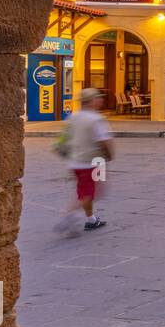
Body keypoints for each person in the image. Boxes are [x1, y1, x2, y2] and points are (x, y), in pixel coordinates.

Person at [58, 87, 114, 233]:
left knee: (86, 190)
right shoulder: (96, 119)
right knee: (92, 191)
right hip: (92, 161)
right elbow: (105, 141)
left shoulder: (73, 117)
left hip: (74, 160)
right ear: (91, 101)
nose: (101, 99)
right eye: (98, 97)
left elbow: (64, 138)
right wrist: (110, 154)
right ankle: (69, 214)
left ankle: (91, 220)